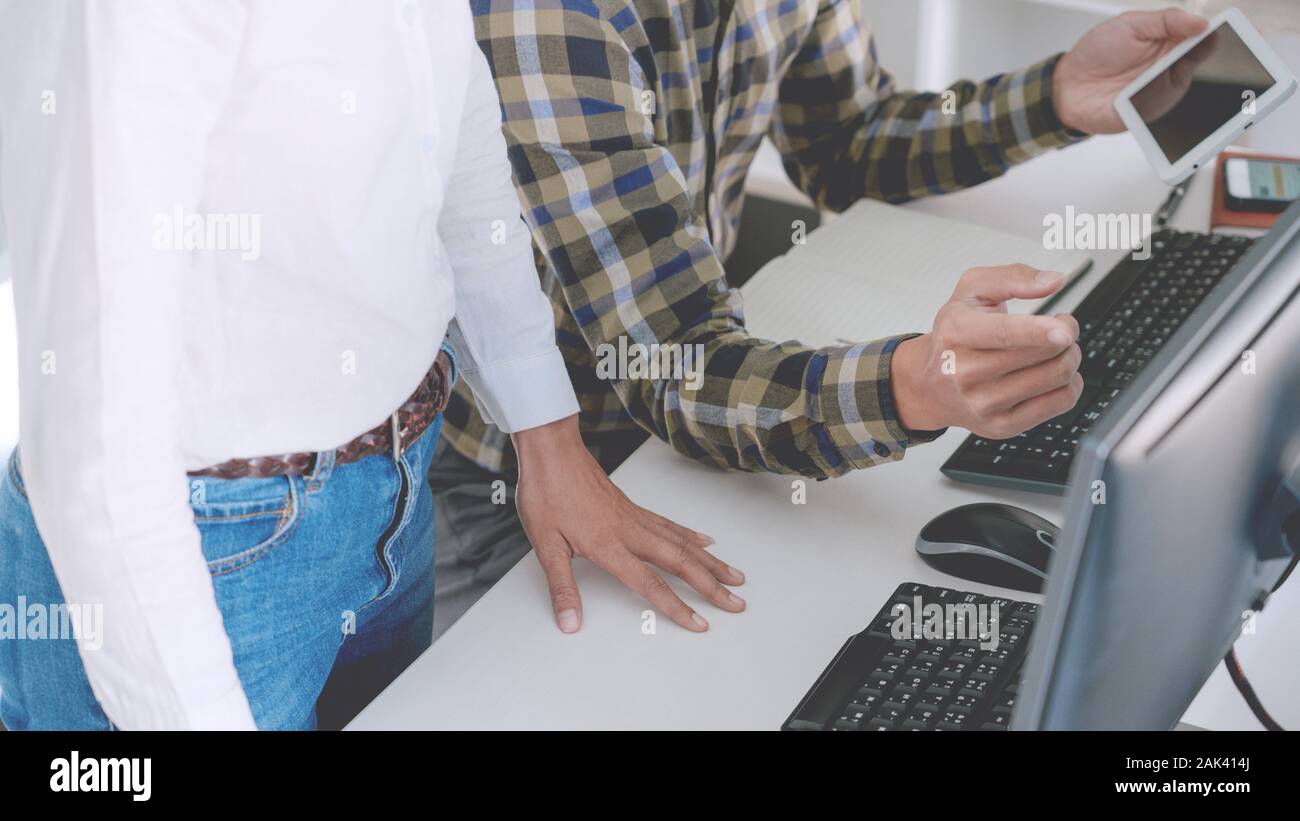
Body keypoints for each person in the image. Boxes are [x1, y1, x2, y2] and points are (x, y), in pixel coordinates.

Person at [0, 0, 741, 731]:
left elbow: (459, 140)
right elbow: (91, 438)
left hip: (396, 490)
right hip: (197, 557)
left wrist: (545, 430)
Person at [430, 1, 1210, 634]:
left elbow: (847, 141)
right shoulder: (547, 19)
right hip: (528, 482)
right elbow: (670, 361)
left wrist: (1054, 96)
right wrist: (909, 386)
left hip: (689, 450)